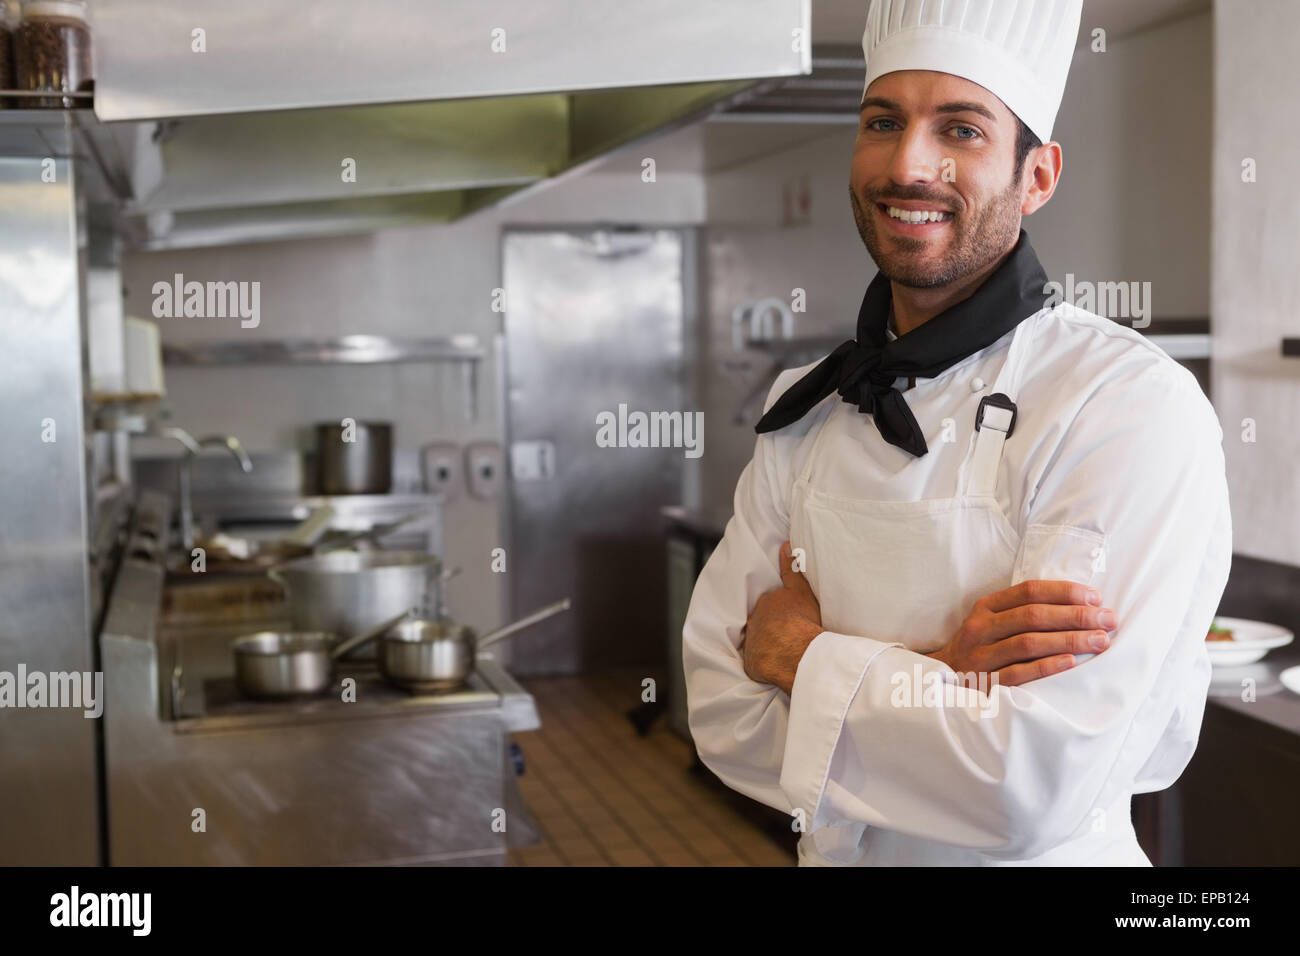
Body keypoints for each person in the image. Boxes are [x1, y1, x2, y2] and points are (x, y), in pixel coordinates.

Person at [682, 0, 1232, 866]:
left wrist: (800, 655)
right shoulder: (809, 405)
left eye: (962, 130)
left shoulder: (1122, 404)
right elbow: (718, 715)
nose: (908, 163)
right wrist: (940, 664)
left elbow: (1026, 786)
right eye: (882, 121)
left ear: (1038, 176)